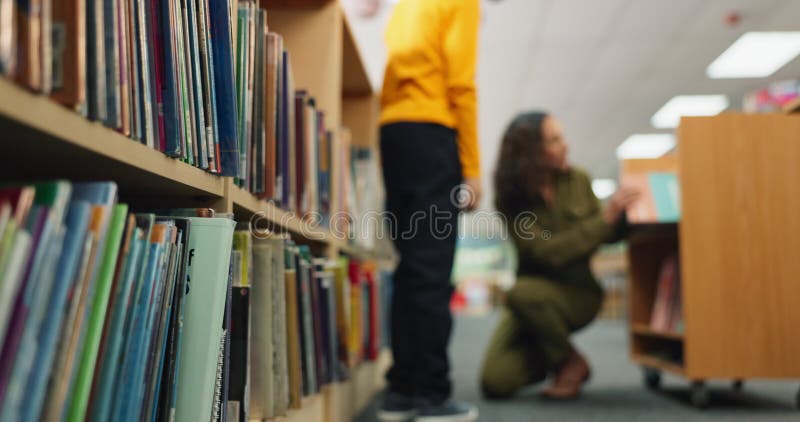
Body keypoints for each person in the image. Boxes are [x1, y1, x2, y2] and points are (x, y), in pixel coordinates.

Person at [479, 111, 639, 400]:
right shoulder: (511, 198)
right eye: (554, 140)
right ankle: (557, 353)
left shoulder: (578, 180)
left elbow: (603, 235)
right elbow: (545, 254)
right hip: (531, 300)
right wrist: (603, 221)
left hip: (580, 293)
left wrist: (623, 216)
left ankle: (568, 363)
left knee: (520, 292)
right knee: (495, 382)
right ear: (531, 153)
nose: (565, 145)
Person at [378, 0, 483, 420]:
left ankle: (402, 390)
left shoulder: (408, 4)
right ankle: (432, 395)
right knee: (433, 270)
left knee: (409, 268)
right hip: (431, 132)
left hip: (396, 132)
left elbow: (391, 74)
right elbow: (461, 84)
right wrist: (472, 168)